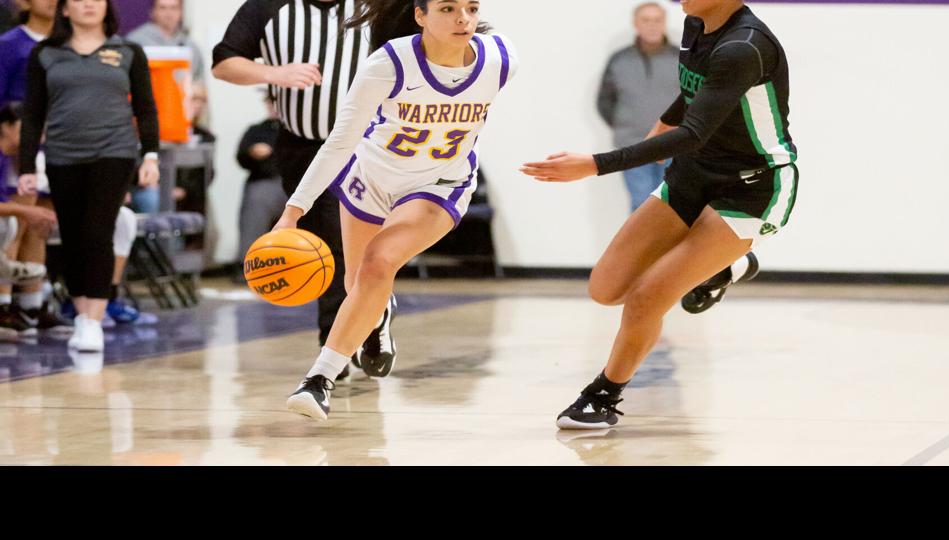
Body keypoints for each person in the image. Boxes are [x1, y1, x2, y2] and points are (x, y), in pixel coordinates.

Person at [523, 0, 796, 432]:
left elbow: (693, 133)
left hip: (749, 187)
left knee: (647, 297)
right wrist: (657, 130)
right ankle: (728, 266)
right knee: (605, 288)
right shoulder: (695, 24)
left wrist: (595, 163)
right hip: (693, 174)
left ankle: (602, 396)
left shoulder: (745, 46)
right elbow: (692, 96)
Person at [276, 0, 516, 420]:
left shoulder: (501, 59)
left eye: (471, 8)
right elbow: (340, 140)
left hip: (439, 183)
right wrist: (294, 209)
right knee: (360, 284)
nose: (463, 19)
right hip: (370, 179)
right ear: (420, 16)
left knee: (377, 263)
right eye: (447, 9)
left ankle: (319, 380)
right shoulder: (388, 64)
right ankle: (380, 315)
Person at [213, 0, 385, 372]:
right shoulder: (268, 7)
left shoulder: (374, 6)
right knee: (328, 244)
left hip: (371, 145)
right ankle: (335, 346)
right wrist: (273, 73)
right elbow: (224, 63)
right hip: (304, 147)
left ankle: (365, 328)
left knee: (366, 248)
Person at [17, 0, 159, 355]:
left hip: (115, 153)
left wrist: (151, 156)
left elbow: (146, 107)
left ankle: (93, 319)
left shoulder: (128, 50)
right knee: (74, 235)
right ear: (65, 10)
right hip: (63, 156)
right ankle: (81, 313)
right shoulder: (45, 54)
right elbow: (33, 114)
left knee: (98, 231)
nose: (89, 4)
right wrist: (26, 167)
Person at [0, 0, 67, 335]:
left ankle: (31, 306)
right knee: (17, 222)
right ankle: (4, 305)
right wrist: (12, 138)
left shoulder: (67, 41)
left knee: (42, 221)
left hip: (57, 145)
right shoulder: (10, 44)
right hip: (19, 145)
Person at [596, 2, 677, 214]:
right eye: (646, 20)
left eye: (657, 20)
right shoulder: (619, 60)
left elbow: (696, 100)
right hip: (633, 148)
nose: (652, 25)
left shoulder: (683, 58)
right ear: (635, 24)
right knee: (642, 206)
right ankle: (645, 249)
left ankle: (671, 249)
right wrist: (625, 124)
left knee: (674, 208)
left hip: (675, 146)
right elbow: (604, 101)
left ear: (665, 23)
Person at [236, 89, 282, 265]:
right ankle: (249, 263)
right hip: (264, 181)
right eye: (270, 102)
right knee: (257, 200)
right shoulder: (256, 130)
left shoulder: (298, 131)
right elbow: (241, 158)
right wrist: (252, 153)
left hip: (295, 184)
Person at [124, 0, 204, 80]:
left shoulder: (191, 46)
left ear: (181, 12)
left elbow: (201, 87)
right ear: (153, 11)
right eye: (163, 8)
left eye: (173, 8)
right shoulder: (135, 41)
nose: (168, 13)